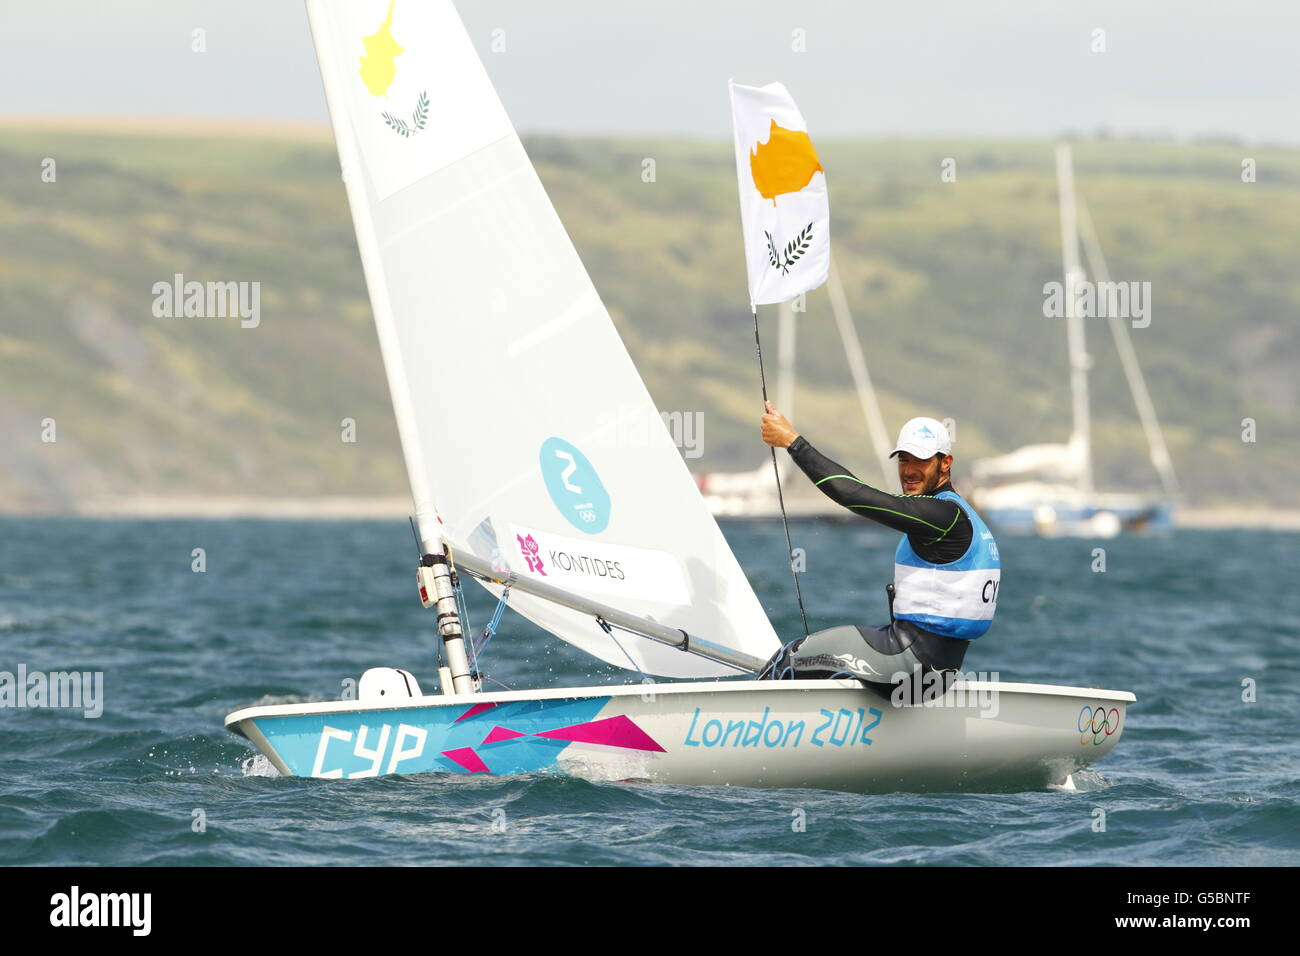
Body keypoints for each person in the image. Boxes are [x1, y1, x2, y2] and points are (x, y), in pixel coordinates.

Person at [758, 402, 1000, 700]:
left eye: (920, 461)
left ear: (946, 462)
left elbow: (852, 494)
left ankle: (741, 729)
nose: (909, 471)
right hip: (938, 676)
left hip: (909, 668)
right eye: (903, 460)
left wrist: (793, 443)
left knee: (790, 658)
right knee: (825, 663)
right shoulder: (964, 515)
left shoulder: (942, 516)